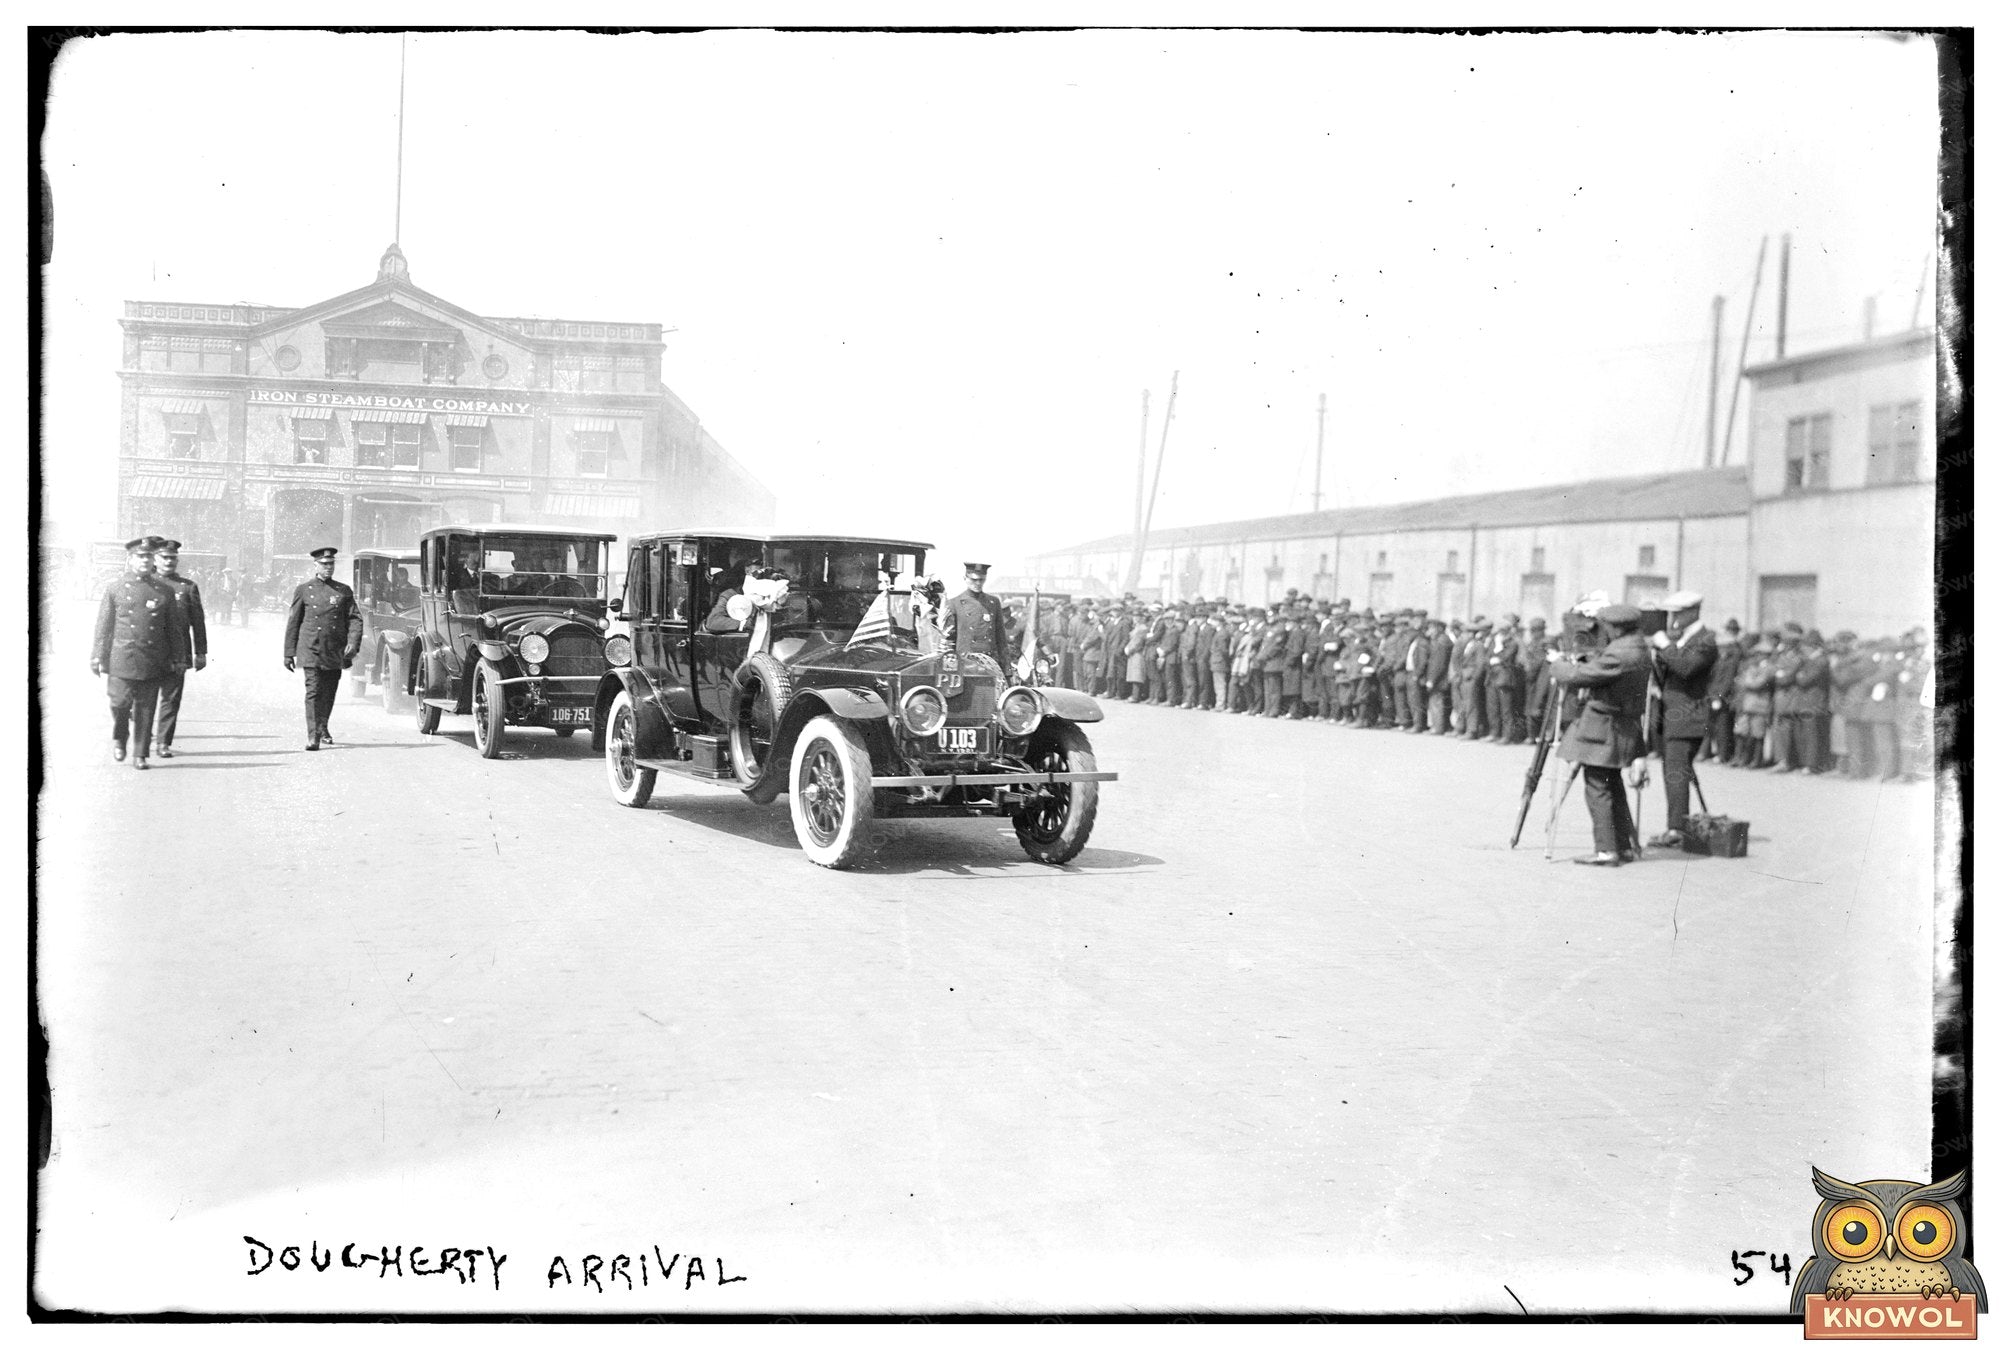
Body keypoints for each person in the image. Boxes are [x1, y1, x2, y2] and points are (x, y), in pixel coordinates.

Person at [1549, 604, 1651, 865]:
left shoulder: (1619, 654)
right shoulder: (1637, 647)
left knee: (1597, 786)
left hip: (1603, 727)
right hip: (1622, 725)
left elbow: (1579, 676)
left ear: (1615, 627)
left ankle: (1606, 849)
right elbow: (1603, 665)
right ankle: (1624, 845)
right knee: (1613, 785)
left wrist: (1557, 664)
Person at [91, 535, 184, 770]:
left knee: (145, 708)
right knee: (119, 704)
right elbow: (104, 625)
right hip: (121, 659)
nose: (145, 560)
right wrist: (97, 655)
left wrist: (179, 657)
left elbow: (173, 629)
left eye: (148, 556)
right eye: (140, 556)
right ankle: (120, 736)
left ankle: (140, 754)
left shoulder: (164, 591)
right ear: (130, 560)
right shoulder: (115, 589)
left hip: (151, 659)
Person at [1646, 589, 1717, 848]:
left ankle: (1677, 830)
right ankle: (1678, 827)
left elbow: (1686, 668)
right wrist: (1659, 653)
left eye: (1677, 613)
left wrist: (1665, 645)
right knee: (1674, 773)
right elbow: (1669, 672)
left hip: (1689, 718)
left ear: (1692, 612)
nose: (1673, 619)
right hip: (1674, 717)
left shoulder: (1706, 640)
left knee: (1676, 774)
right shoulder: (1683, 638)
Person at [283, 546, 362, 751]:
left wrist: (352, 644)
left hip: (335, 650)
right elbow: (294, 622)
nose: (328, 568)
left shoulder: (343, 591)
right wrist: (288, 652)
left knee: (329, 692)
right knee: (313, 692)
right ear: (315, 565)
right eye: (324, 564)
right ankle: (313, 736)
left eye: (331, 564)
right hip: (311, 649)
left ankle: (322, 726)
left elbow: (355, 619)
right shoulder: (304, 590)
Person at [150, 538, 210, 760]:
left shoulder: (187, 587)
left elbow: (198, 622)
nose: (169, 562)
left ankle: (164, 742)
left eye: (173, 558)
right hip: (149, 653)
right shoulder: (145, 584)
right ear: (155, 560)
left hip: (178, 654)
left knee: (171, 699)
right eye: (164, 558)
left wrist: (201, 652)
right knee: (145, 699)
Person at [943, 562, 1011, 667]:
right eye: (974, 580)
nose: (978, 583)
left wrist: (1007, 670)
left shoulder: (993, 602)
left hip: (989, 662)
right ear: (965, 578)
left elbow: (1001, 639)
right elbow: (949, 640)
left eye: (981, 580)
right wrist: (949, 667)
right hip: (965, 663)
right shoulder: (954, 603)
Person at [1701, 619, 1742, 763]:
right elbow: (1713, 679)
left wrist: (1719, 696)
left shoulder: (1731, 659)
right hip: (1713, 696)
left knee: (1723, 727)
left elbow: (1728, 680)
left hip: (1723, 698)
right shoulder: (1720, 660)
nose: (1721, 649)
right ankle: (1713, 752)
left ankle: (1723, 754)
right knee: (1712, 726)